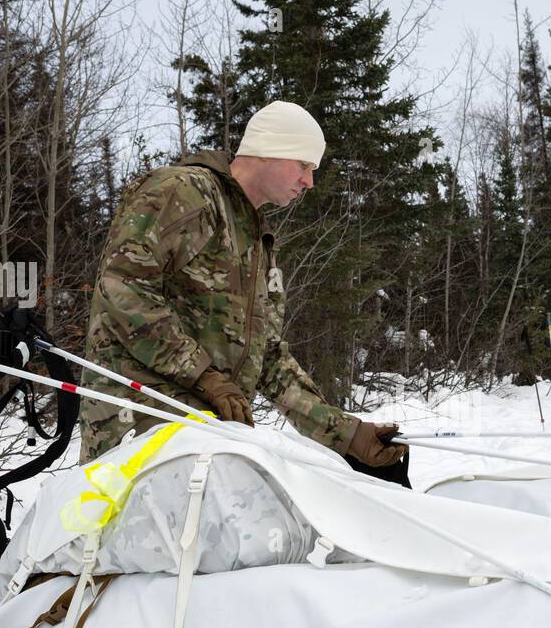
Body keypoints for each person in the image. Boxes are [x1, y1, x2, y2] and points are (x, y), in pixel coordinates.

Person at [76, 100, 408, 471]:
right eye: (303, 165)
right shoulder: (186, 192)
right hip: (141, 425)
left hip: (205, 435)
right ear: (269, 151)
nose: (309, 182)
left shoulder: (256, 242)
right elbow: (123, 288)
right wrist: (203, 376)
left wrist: (348, 434)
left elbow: (266, 358)